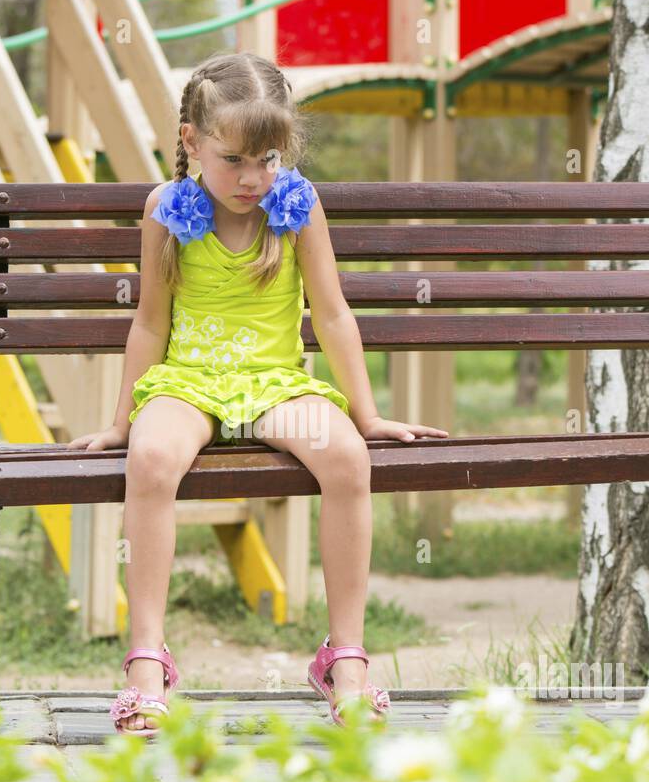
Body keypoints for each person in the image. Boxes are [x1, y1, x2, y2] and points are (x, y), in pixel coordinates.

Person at [67, 52, 447, 736]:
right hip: (188, 381)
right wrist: (123, 423)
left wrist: (366, 414)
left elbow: (331, 314)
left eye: (268, 158)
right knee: (151, 461)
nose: (253, 178)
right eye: (235, 159)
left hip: (275, 383)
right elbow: (151, 322)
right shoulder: (165, 211)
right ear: (191, 141)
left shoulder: (295, 206)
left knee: (348, 460)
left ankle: (346, 660)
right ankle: (147, 662)